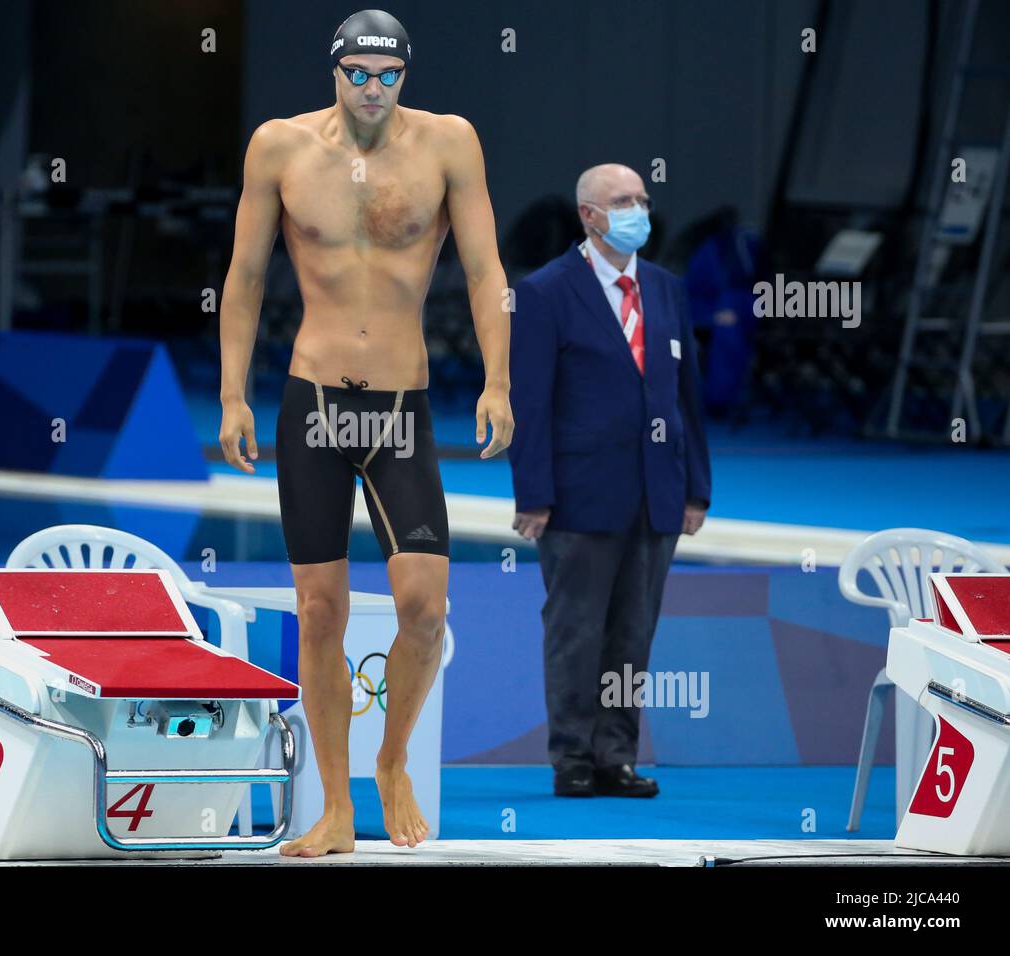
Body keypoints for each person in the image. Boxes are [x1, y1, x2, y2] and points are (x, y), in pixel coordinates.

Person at [218, 9, 512, 855]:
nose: (374, 90)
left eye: (389, 76)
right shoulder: (278, 147)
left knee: (423, 608)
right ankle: (337, 809)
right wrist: (233, 397)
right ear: (335, 72)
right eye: (360, 75)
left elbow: (488, 272)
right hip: (311, 400)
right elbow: (242, 279)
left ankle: (392, 765)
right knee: (320, 613)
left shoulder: (450, 144)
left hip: (398, 409)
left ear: (405, 76)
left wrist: (498, 380)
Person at [508, 163, 711, 799]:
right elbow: (530, 401)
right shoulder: (545, 292)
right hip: (578, 495)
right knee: (577, 631)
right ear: (589, 216)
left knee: (632, 633)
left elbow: (688, 394)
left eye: (642, 199)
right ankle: (571, 756)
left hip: (657, 490)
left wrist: (696, 487)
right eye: (623, 201)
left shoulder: (665, 288)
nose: (637, 210)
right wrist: (533, 494)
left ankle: (615, 755)